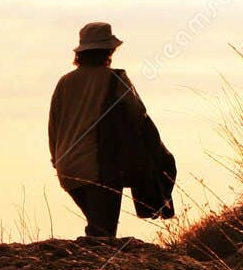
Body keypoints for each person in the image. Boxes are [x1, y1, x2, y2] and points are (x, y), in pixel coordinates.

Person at [48, 21, 172, 238]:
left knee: (97, 225)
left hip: (67, 167)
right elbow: (139, 116)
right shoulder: (114, 80)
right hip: (100, 168)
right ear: (109, 50)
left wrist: (56, 160)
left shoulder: (64, 82)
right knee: (102, 234)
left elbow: (54, 127)